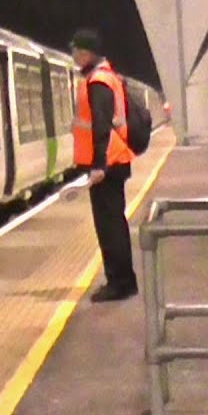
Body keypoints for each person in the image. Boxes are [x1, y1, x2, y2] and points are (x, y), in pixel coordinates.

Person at [69, 29, 137, 302]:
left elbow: (100, 123)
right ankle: (124, 281)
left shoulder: (98, 81)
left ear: (85, 52)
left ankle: (118, 283)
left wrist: (98, 165)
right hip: (114, 159)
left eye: (75, 50)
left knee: (109, 226)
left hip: (107, 163)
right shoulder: (105, 76)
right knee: (115, 223)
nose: (73, 54)